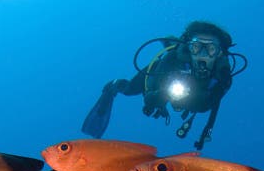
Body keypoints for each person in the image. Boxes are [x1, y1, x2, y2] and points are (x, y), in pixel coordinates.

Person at [82, 21, 246, 150]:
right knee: (130, 89)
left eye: (210, 49)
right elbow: (149, 99)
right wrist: (165, 94)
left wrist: (186, 97)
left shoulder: (223, 73)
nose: (202, 55)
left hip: (191, 96)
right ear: (189, 48)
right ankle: (113, 85)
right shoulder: (172, 60)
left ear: (219, 53)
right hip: (159, 78)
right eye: (196, 47)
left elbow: (206, 106)